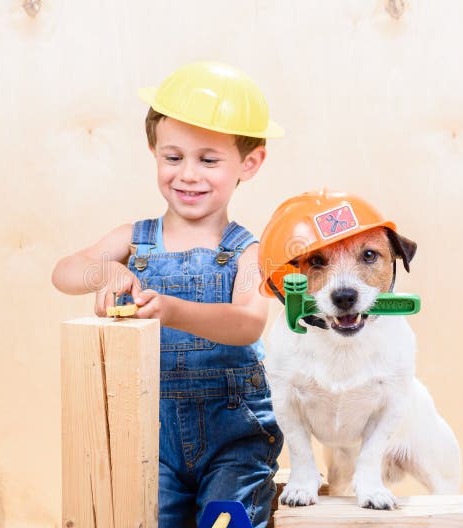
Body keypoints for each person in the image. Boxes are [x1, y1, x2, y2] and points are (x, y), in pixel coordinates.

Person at [51, 61, 284, 528]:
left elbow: (247, 323)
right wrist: (107, 274)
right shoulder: (134, 238)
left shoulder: (247, 252)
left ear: (250, 163)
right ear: (153, 150)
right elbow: (64, 272)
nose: (188, 175)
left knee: (228, 521)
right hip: (148, 431)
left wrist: (172, 310)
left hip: (235, 435)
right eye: (173, 158)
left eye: (209, 160)